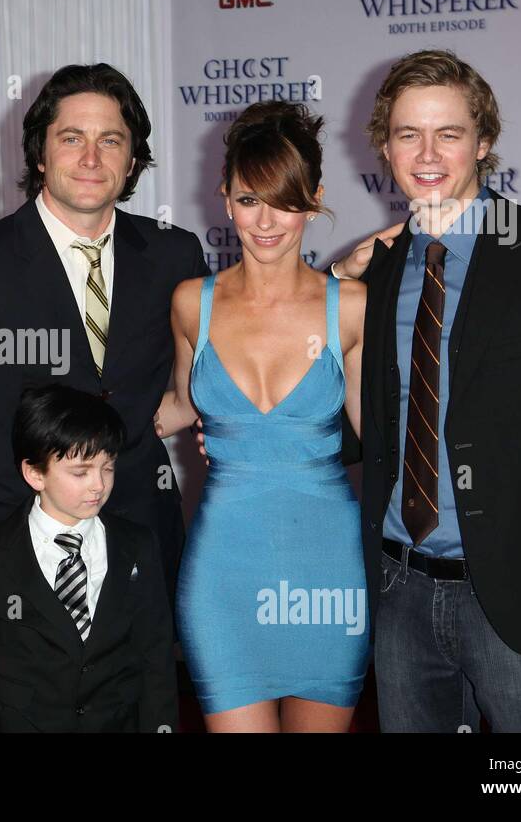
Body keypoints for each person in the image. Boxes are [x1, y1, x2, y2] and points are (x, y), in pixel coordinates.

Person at [331, 49, 521, 732]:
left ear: (485, 142)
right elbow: (360, 433)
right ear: (385, 145)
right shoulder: (373, 277)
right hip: (398, 589)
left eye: (449, 133)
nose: (427, 152)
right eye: (408, 133)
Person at [0, 63, 208, 728]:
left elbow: (230, 354)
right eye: (72, 138)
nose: (92, 157)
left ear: (134, 159)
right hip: (3, 570)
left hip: (134, 560)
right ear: (40, 151)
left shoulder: (174, 257)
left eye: (112, 140)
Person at [157, 102, 368, 732]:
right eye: (250, 199)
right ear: (225, 199)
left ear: (315, 200)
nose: (267, 221)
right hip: (225, 569)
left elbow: (381, 437)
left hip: (327, 568)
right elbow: (175, 406)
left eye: (285, 200)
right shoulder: (193, 302)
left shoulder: (351, 307)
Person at [0, 384, 178, 732]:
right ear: (34, 473)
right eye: (81, 472)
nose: (98, 485)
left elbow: (157, 662)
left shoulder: (137, 545)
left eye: (108, 468)